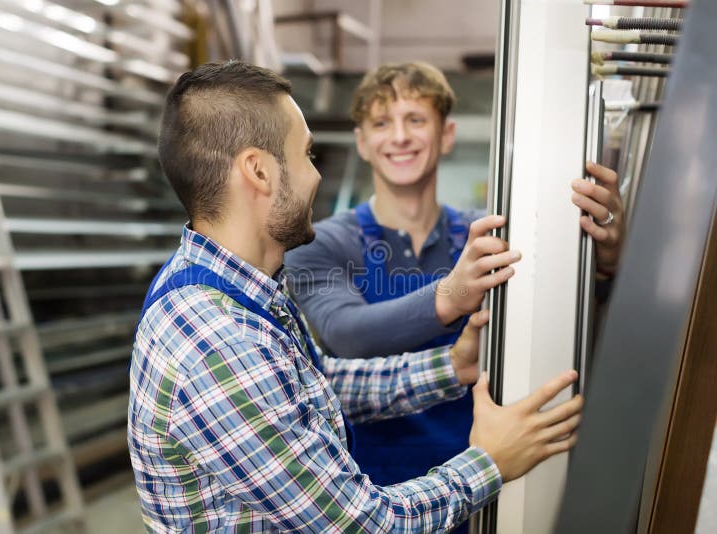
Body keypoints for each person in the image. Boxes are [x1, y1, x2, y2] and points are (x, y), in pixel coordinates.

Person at [128, 60, 583, 533]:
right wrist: (490, 462)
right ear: (259, 172)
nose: (316, 177)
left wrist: (449, 368)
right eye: (308, 155)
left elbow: (308, 391)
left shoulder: (237, 291)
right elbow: (363, 525)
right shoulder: (219, 339)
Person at [284, 61, 624, 510]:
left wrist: (604, 263)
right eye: (382, 123)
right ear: (363, 143)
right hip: (374, 496)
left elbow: (564, 318)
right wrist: (451, 294)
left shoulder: (490, 234)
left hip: (487, 488)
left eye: (416, 120)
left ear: (446, 134)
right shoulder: (319, 243)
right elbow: (344, 333)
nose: (400, 136)